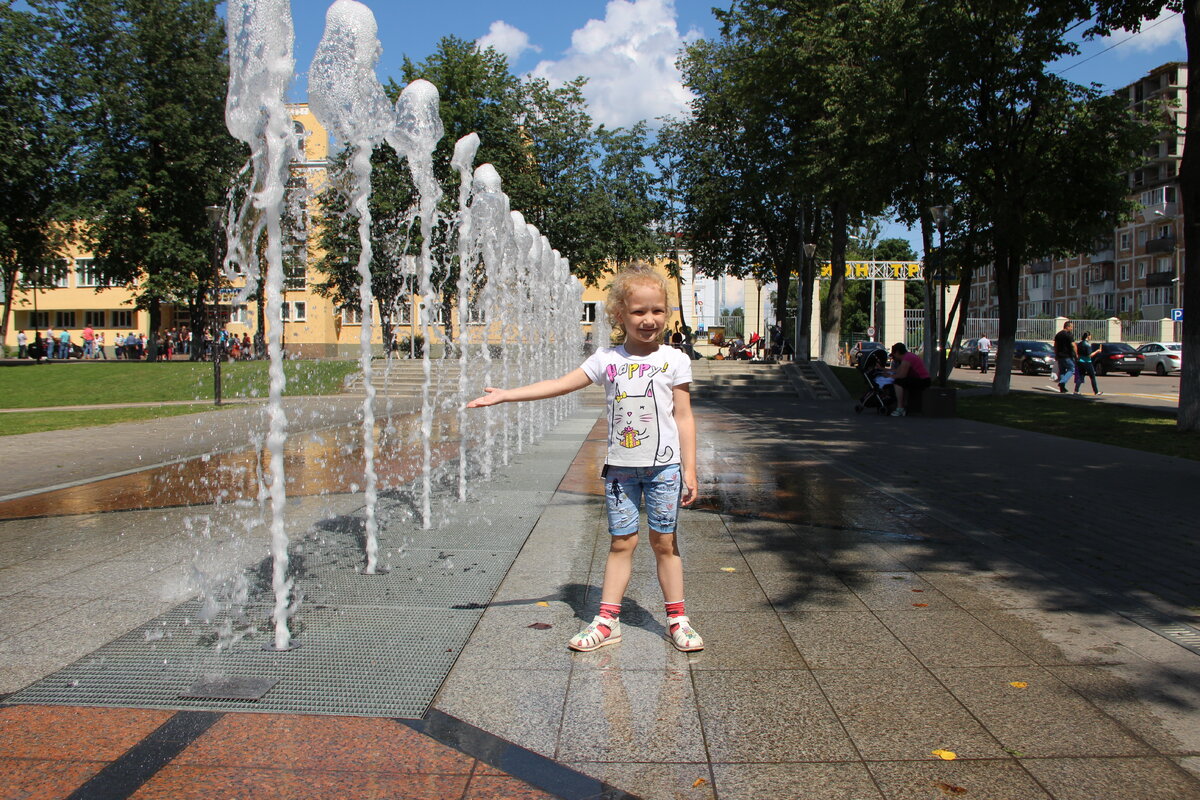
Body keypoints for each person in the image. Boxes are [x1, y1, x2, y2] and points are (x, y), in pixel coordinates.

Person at [467, 262, 703, 653]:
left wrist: (690, 468)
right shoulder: (606, 359)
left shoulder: (675, 360)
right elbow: (560, 385)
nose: (649, 320)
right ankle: (608, 619)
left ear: (667, 312)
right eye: (638, 311)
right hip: (621, 473)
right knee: (621, 543)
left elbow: (684, 416)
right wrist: (508, 394)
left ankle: (677, 619)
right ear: (619, 315)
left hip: (665, 468)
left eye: (657, 310)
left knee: (665, 543)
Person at [888, 342, 930, 417]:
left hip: (923, 380)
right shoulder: (908, 356)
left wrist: (889, 377)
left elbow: (902, 375)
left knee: (898, 382)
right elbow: (897, 371)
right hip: (922, 379)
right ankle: (902, 406)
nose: (894, 357)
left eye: (894, 354)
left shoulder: (907, 358)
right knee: (900, 381)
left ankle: (900, 408)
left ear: (897, 352)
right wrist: (883, 371)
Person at [1073, 331, 1103, 396]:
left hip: (1080, 362)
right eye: (1090, 336)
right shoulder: (1087, 345)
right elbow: (1089, 355)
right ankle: (1096, 391)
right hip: (1087, 362)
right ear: (1088, 336)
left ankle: (1076, 390)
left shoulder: (1080, 343)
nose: (1090, 337)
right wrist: (1098, 351)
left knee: (1081, 376)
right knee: (1092, 377)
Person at [1052, 321, 1075, 394]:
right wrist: (1076, 355)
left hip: (1060, 356)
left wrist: (1056, 354)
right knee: (1072, 369)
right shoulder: (1069, 335)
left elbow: (1055, 345)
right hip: (1067, 355)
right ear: (1067, 327)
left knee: (1062, 371)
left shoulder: (1058, 334)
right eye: (1071, 327)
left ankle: (1062, 388)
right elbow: (1073, 345)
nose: (1072, 328)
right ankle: (1062, 382)